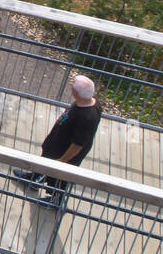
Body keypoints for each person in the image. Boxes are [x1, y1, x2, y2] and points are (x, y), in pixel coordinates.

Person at [12, 75, 101, 207]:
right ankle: (35, 178)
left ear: (76, 92)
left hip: (65, 152)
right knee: (45, 159)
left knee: (60, 176)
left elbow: (78, 144)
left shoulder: (87, 117)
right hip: (56, 144)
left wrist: (63, 161)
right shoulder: (85, 101)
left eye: (73, 87)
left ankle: (56, 200)